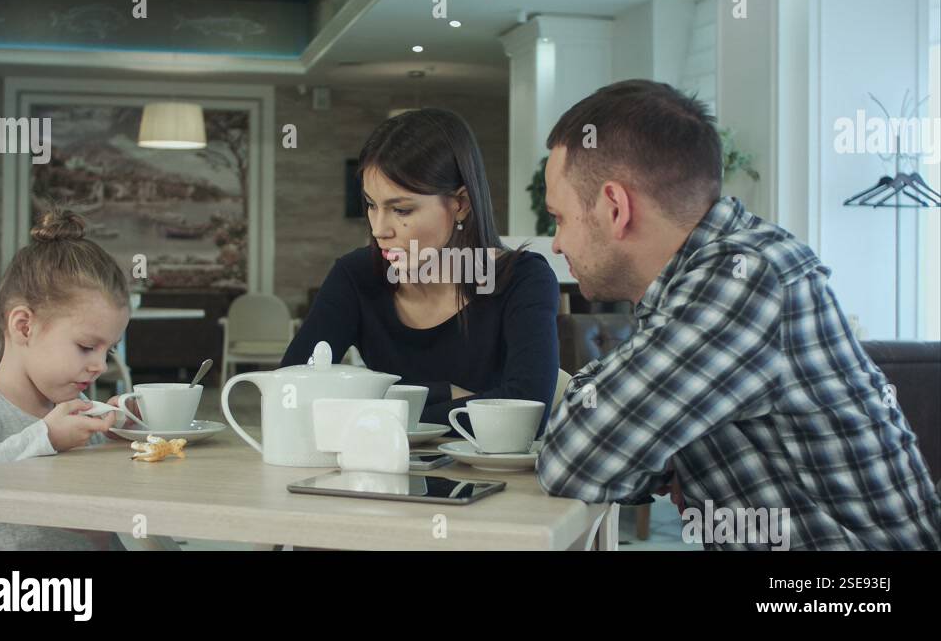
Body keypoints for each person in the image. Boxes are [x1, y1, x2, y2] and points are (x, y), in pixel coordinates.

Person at [536, 79, 941, 550]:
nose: (558, 243)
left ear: (615, 207)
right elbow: (614, 457)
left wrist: (641, 446)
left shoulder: (747, 278)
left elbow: (574, 461)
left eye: (559, 218)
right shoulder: (701, 281)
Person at [281, 108, 560, 433]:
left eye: (401, 209)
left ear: (461, 203)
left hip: (494, 481)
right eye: (372, 205)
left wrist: (383, 410)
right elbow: (290, 392)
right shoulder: (355, 276)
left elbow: (527, 415)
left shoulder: (523, 280)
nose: (379, 229)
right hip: (378, 475)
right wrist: (448, 394)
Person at [0, 209, 131, 550]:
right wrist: (44, 438)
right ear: (24, 326)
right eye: (87, 346)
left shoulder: (77, 408)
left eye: (109, 350)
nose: (100, 365)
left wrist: (119, 441)